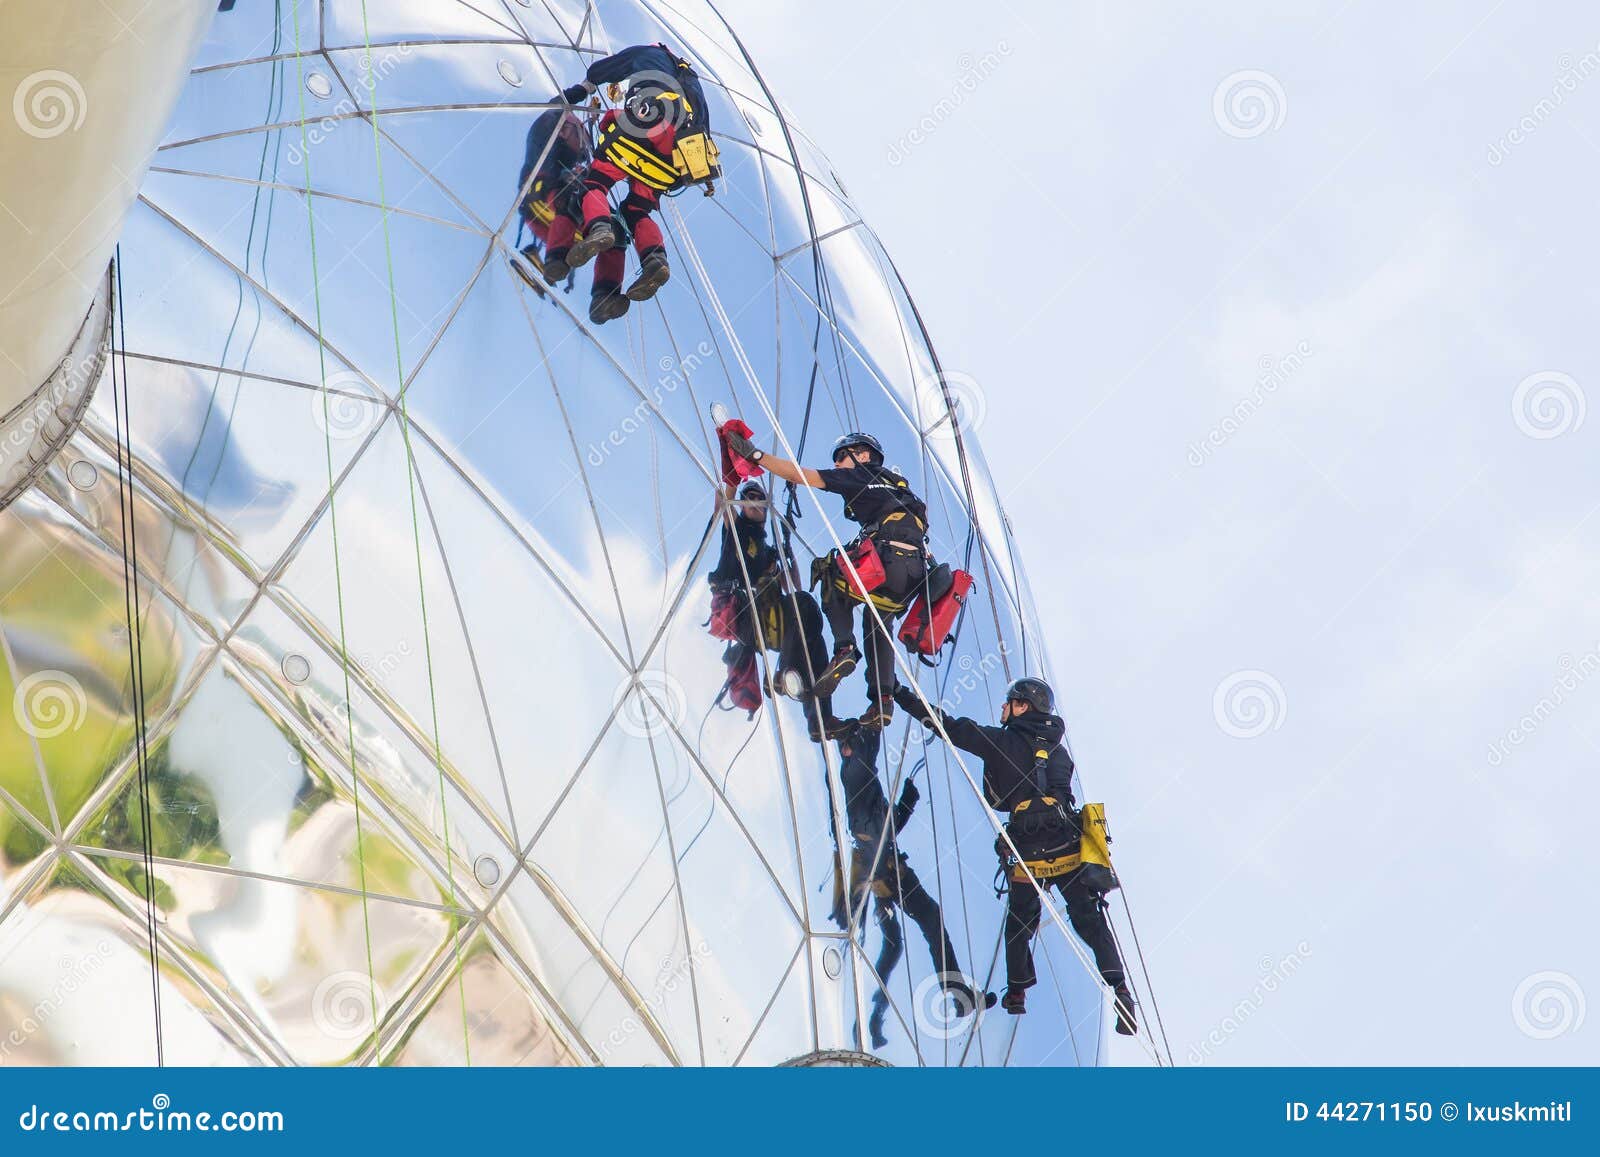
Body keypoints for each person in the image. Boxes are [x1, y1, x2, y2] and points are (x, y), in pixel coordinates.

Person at [892, 677, 1137, 1033]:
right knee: (1090, 919)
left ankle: (1018, 991)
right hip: (1068, 847)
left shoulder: (1000, 741)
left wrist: (900, 695)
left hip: (1028, 853)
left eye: (1009, 702)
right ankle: (1122, 992)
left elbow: (947, 726)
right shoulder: (1060, 753)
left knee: (1021, 920)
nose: (1003, 709)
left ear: (1023, 706)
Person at [721, 429, 930, 730]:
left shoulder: (861, 475)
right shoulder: (902, 489)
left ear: (863, 455)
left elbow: (803, 475)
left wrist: (756, 456)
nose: (837, 464)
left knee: (829, 569)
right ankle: (882, 700)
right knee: (878, 618)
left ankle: (844, 649)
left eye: (842, 457)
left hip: (889, 562)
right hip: (913, 577)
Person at [832, 725, 994, 1047]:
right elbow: (883, 826)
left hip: (882, 871)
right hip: (883, 873)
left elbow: (885, 826)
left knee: (896, 944)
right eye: (857, 747)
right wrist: (875, 726)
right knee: (922, 925)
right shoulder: (854, 776)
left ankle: (872, 1021)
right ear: (851, 749)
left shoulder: (859, 780)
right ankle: (871, 1021)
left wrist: (908, 797)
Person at [548, 43, 712, 324]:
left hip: (642, 129)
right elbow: (703, 134)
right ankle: (649, 264)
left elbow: (607, 68)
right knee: (636, 211)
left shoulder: (650, 54)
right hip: (673, 159)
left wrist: (586, 85)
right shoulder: (694, 87)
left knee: (595, 183)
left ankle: (595, 229)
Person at [708, 480, 842, 740]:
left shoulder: (770, 553)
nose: (755, 502)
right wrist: (733, 477)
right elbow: (722, 505)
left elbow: (794, 586)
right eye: (750, 498)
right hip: (745, 616)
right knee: (803, 604)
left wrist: (787, 551)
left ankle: (819, 719)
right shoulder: (736, 531)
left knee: (813, 640)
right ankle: (784, 672)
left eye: (760, 498)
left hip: (772, 622)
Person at [513, 107, 591, 286]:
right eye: (581, 137)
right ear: (564, 130)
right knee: (569, 197)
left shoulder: (563, 158)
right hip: (543, 200)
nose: (583, 149)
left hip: (548, 221)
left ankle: (555, 264)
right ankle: (555, 259)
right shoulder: (549, 134)